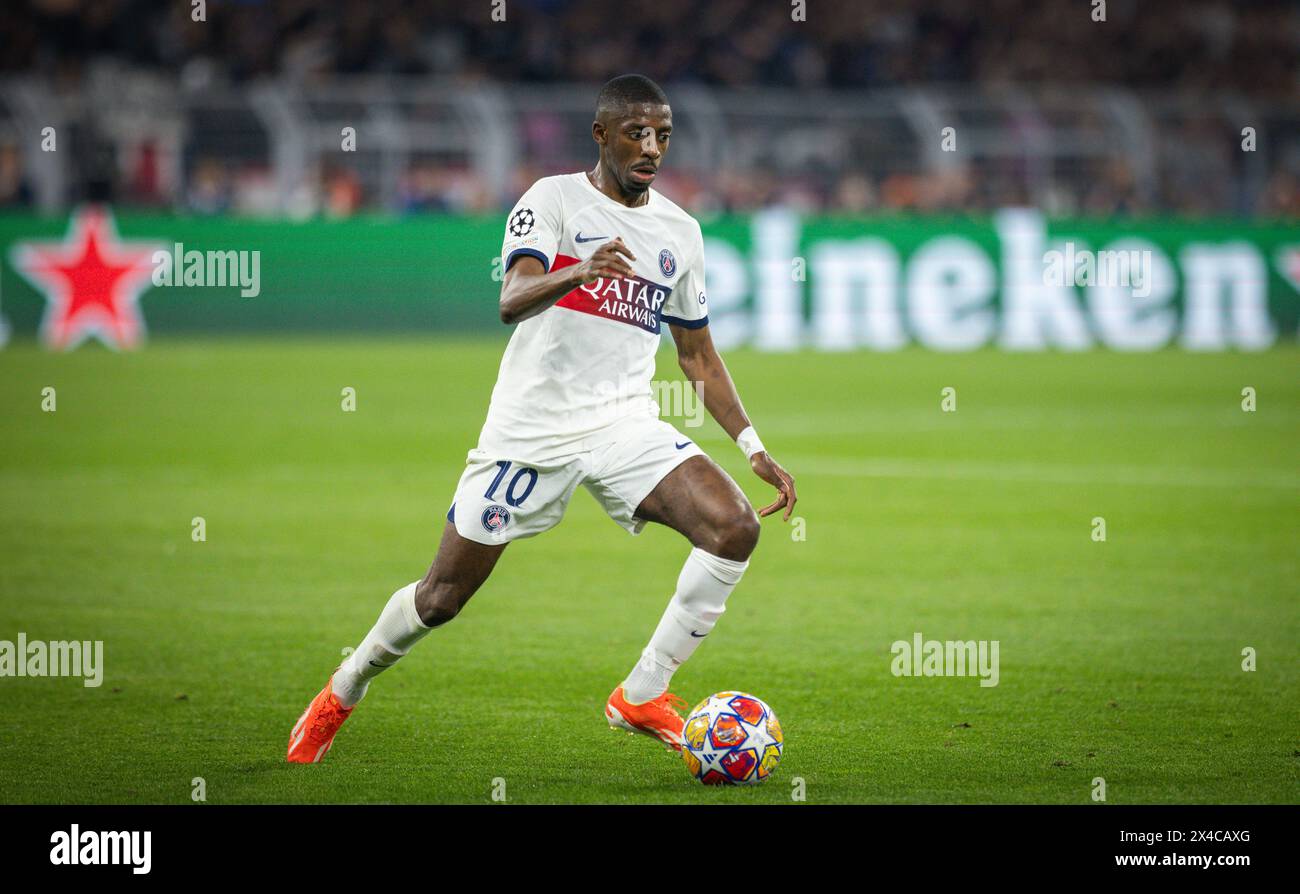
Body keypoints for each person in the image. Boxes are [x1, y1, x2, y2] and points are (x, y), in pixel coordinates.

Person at [288, 74, 796, 763]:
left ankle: (642, 693)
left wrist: (752, 444)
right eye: (636, 133)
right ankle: (344, 689)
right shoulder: (551, 200)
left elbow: (697, 354)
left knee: (732, 526)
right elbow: (512, 296)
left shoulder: (680, 232)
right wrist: (580, 271)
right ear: (601, 134)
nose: (651, 147)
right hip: (529, 432)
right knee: (440, 600)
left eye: (663, 135)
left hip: (622, 423)